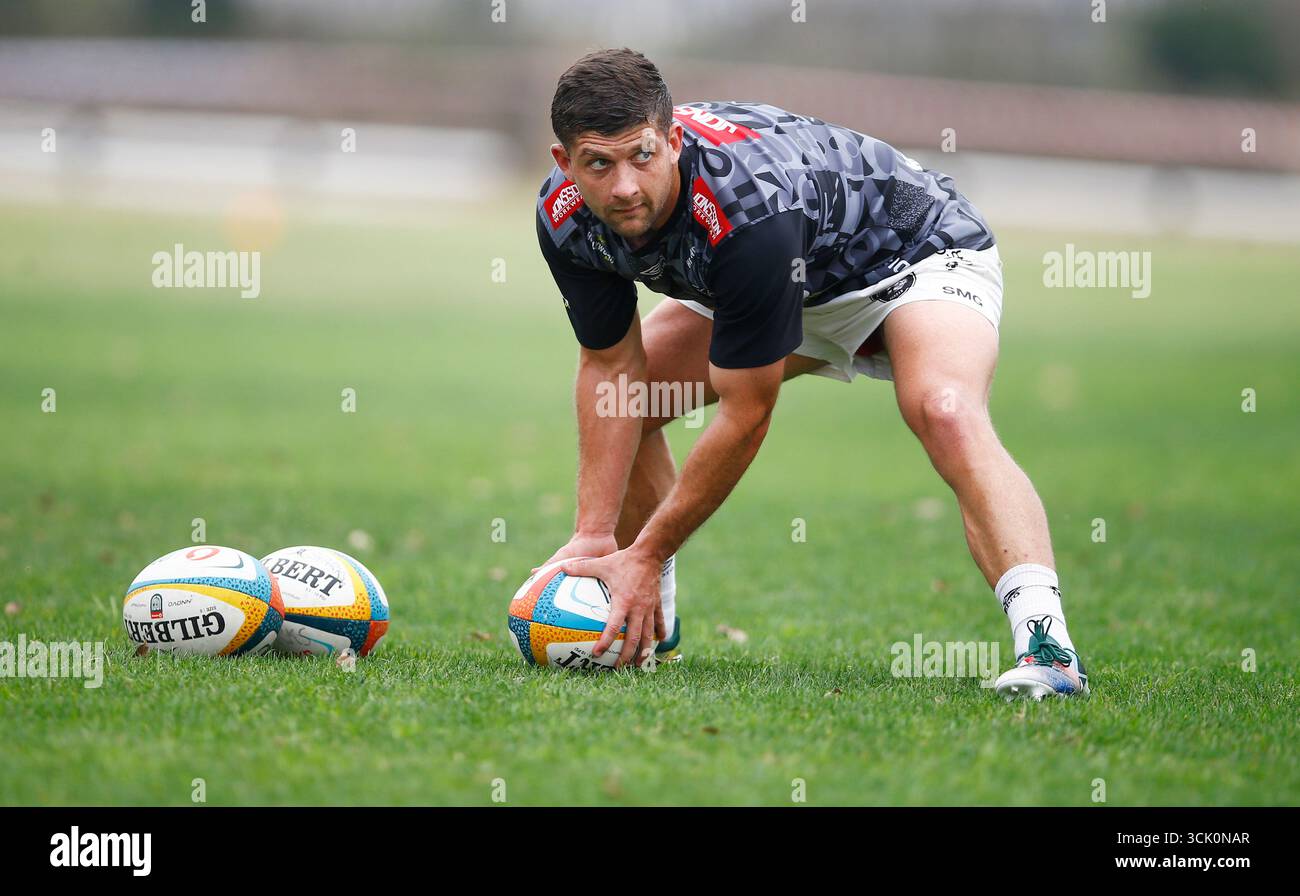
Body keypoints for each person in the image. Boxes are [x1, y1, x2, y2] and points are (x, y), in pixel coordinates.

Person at [534, 48, 1088, 699]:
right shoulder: (567, 217)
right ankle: (650, 620)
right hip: (776, 280)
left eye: (643, 157)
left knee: (944, 409)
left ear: (674, 141)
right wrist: (594, 531)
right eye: (600, 163)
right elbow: (610, 370)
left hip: (911, 256)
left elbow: (747, 413)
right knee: (641, 401)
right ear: (565, 162)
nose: (624, 185)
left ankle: (1049, 650)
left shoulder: (747, 209)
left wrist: (647, 550)